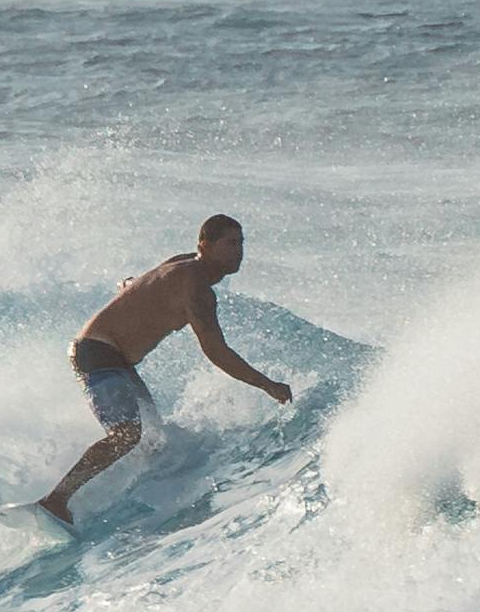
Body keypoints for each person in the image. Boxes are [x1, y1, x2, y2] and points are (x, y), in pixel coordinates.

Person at [34, 213, 289, 525]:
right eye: (230, 243)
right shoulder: (196, 289)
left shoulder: (183, 265)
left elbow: (141, 282)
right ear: (204, 246)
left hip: (116, 360)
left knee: (154, 441)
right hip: (97, 352)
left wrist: (131, 290)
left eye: (241, 243)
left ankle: (107, 506)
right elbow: (217, 352)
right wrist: (267, 385)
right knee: (127, 434)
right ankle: (55, 501)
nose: (238, 251)